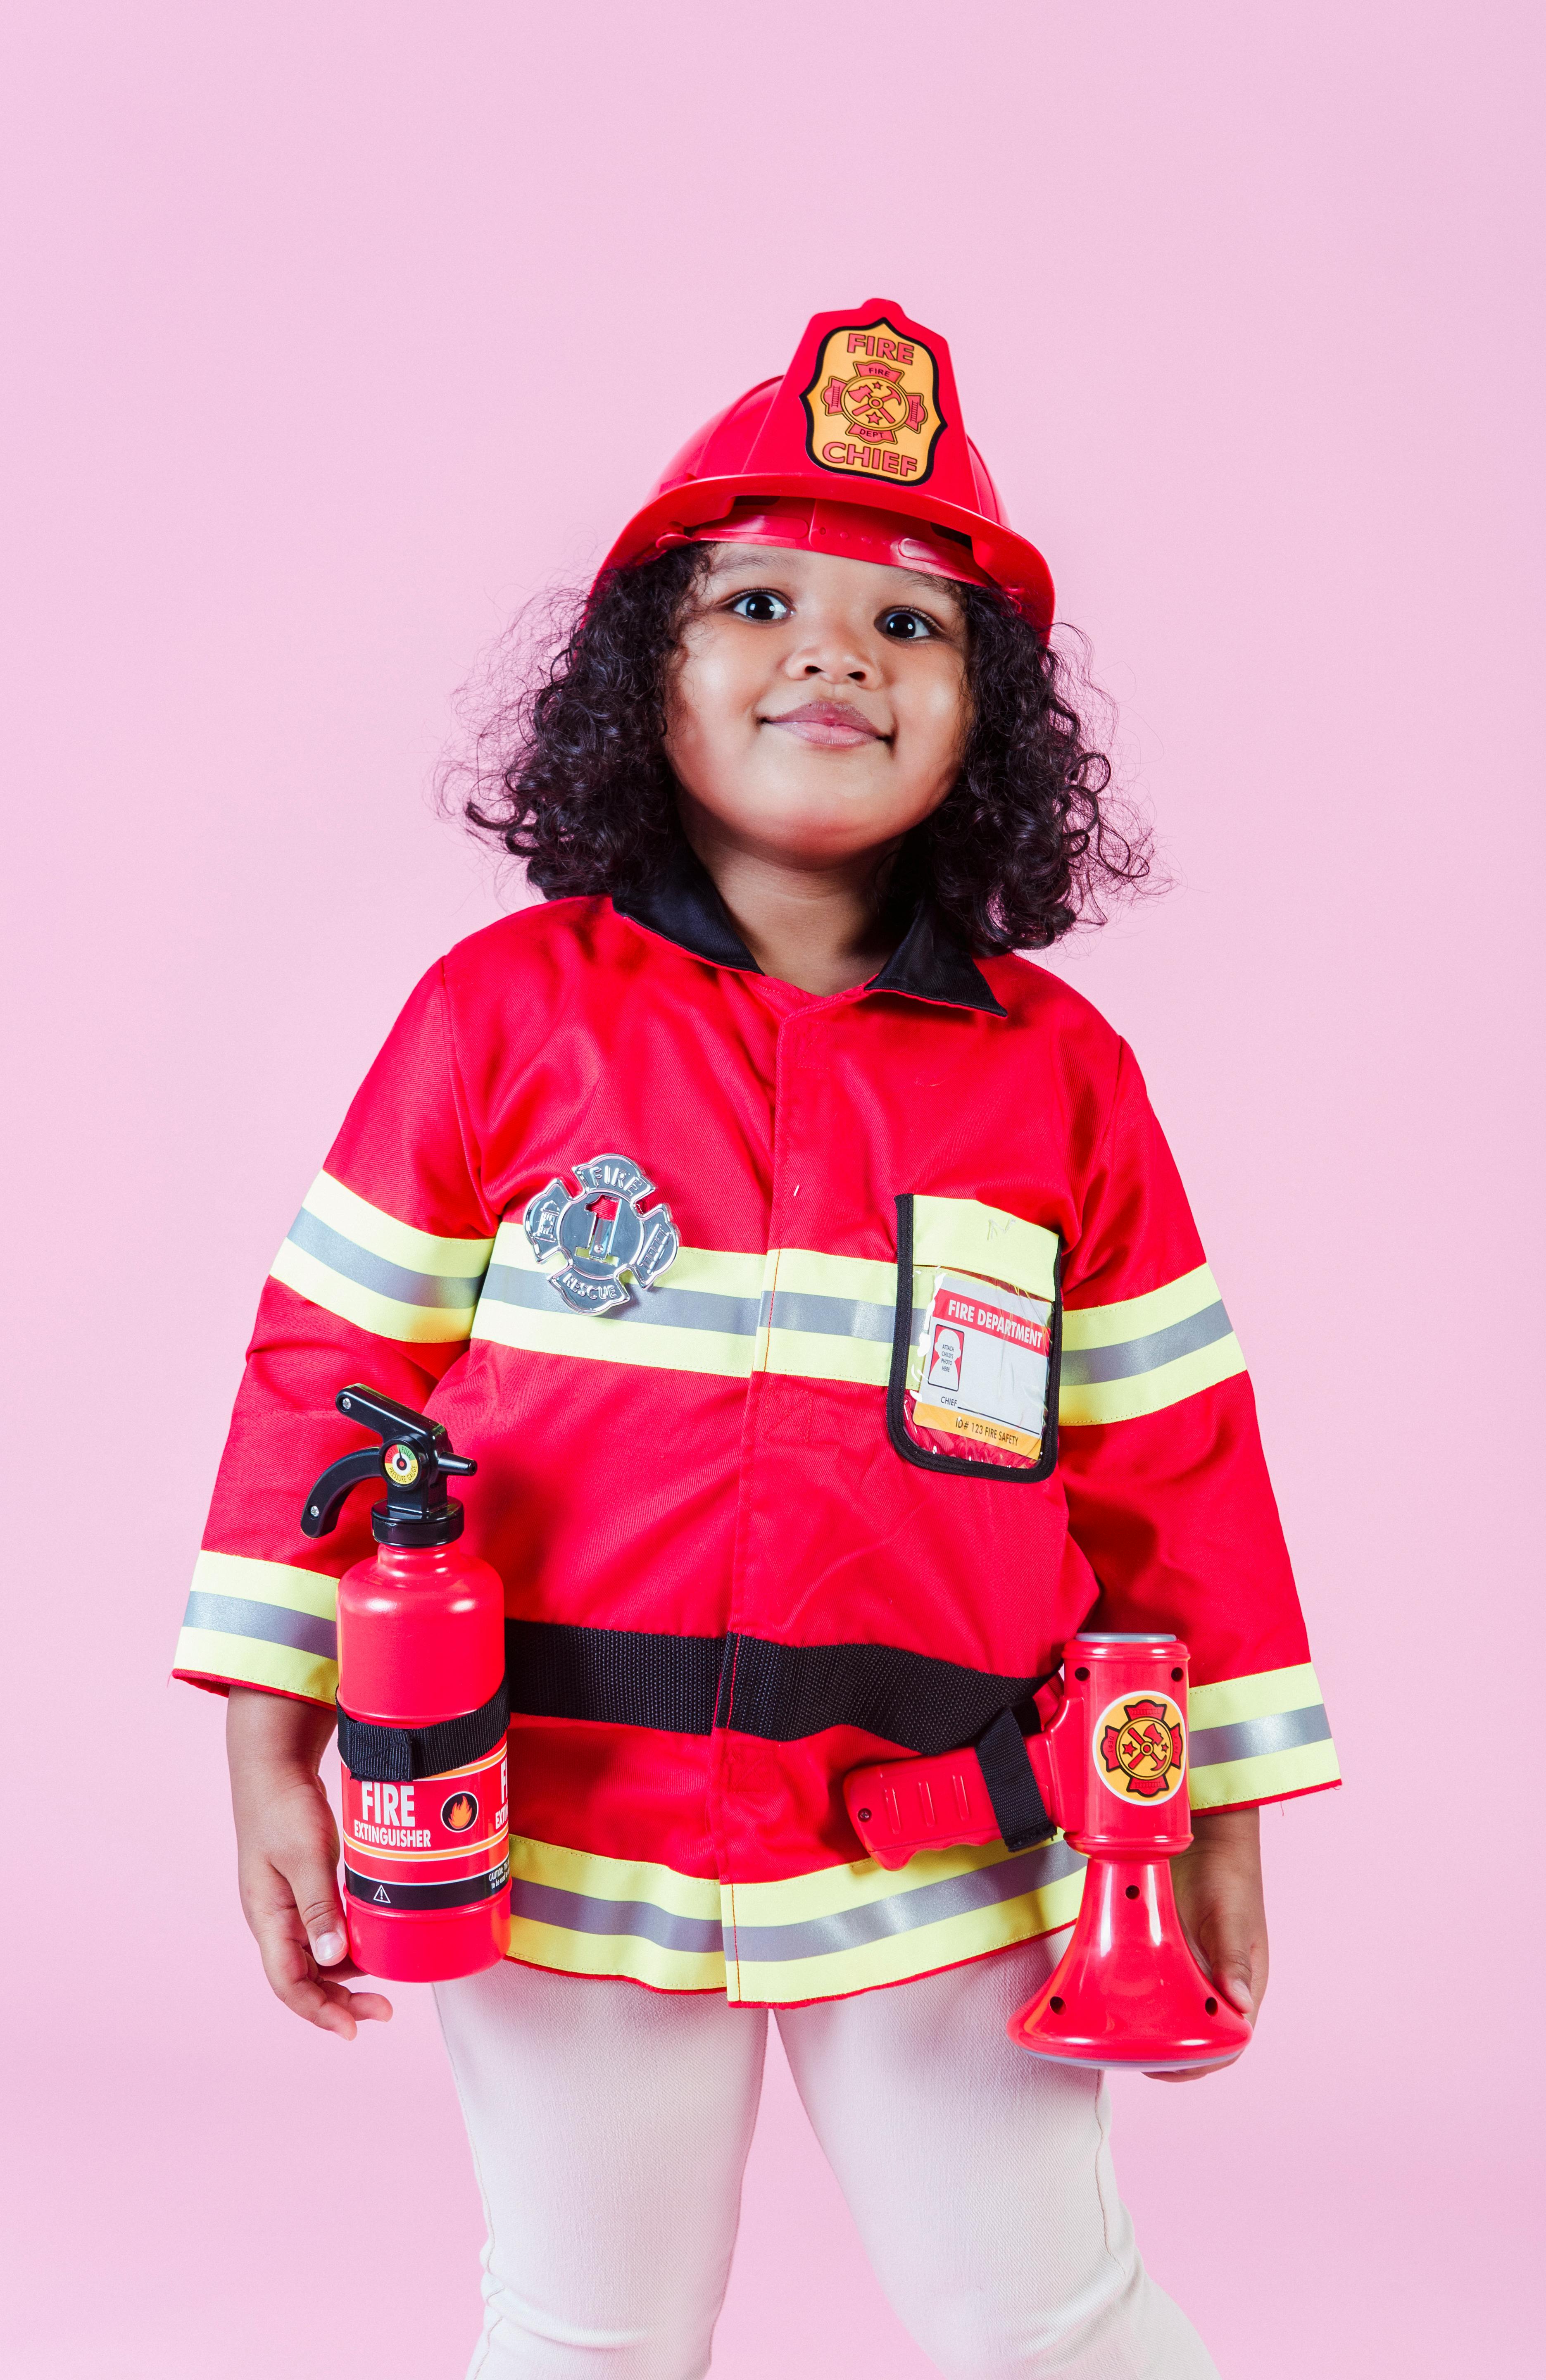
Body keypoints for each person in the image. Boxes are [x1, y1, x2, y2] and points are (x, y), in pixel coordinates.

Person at [176, 301, 1340, 2379]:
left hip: (951, 1838)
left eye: (914, 627)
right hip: (544, 1823)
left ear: (991, 721)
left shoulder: (1062, 1082)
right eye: (761, 601)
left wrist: (1221, 1812)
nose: (834, 653)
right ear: (651, 676)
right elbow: (317, 1376)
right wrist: (267, 1728)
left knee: (1050, 2322)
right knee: (586, 2331)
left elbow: (1179, 1467)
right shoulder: (497, 1017)